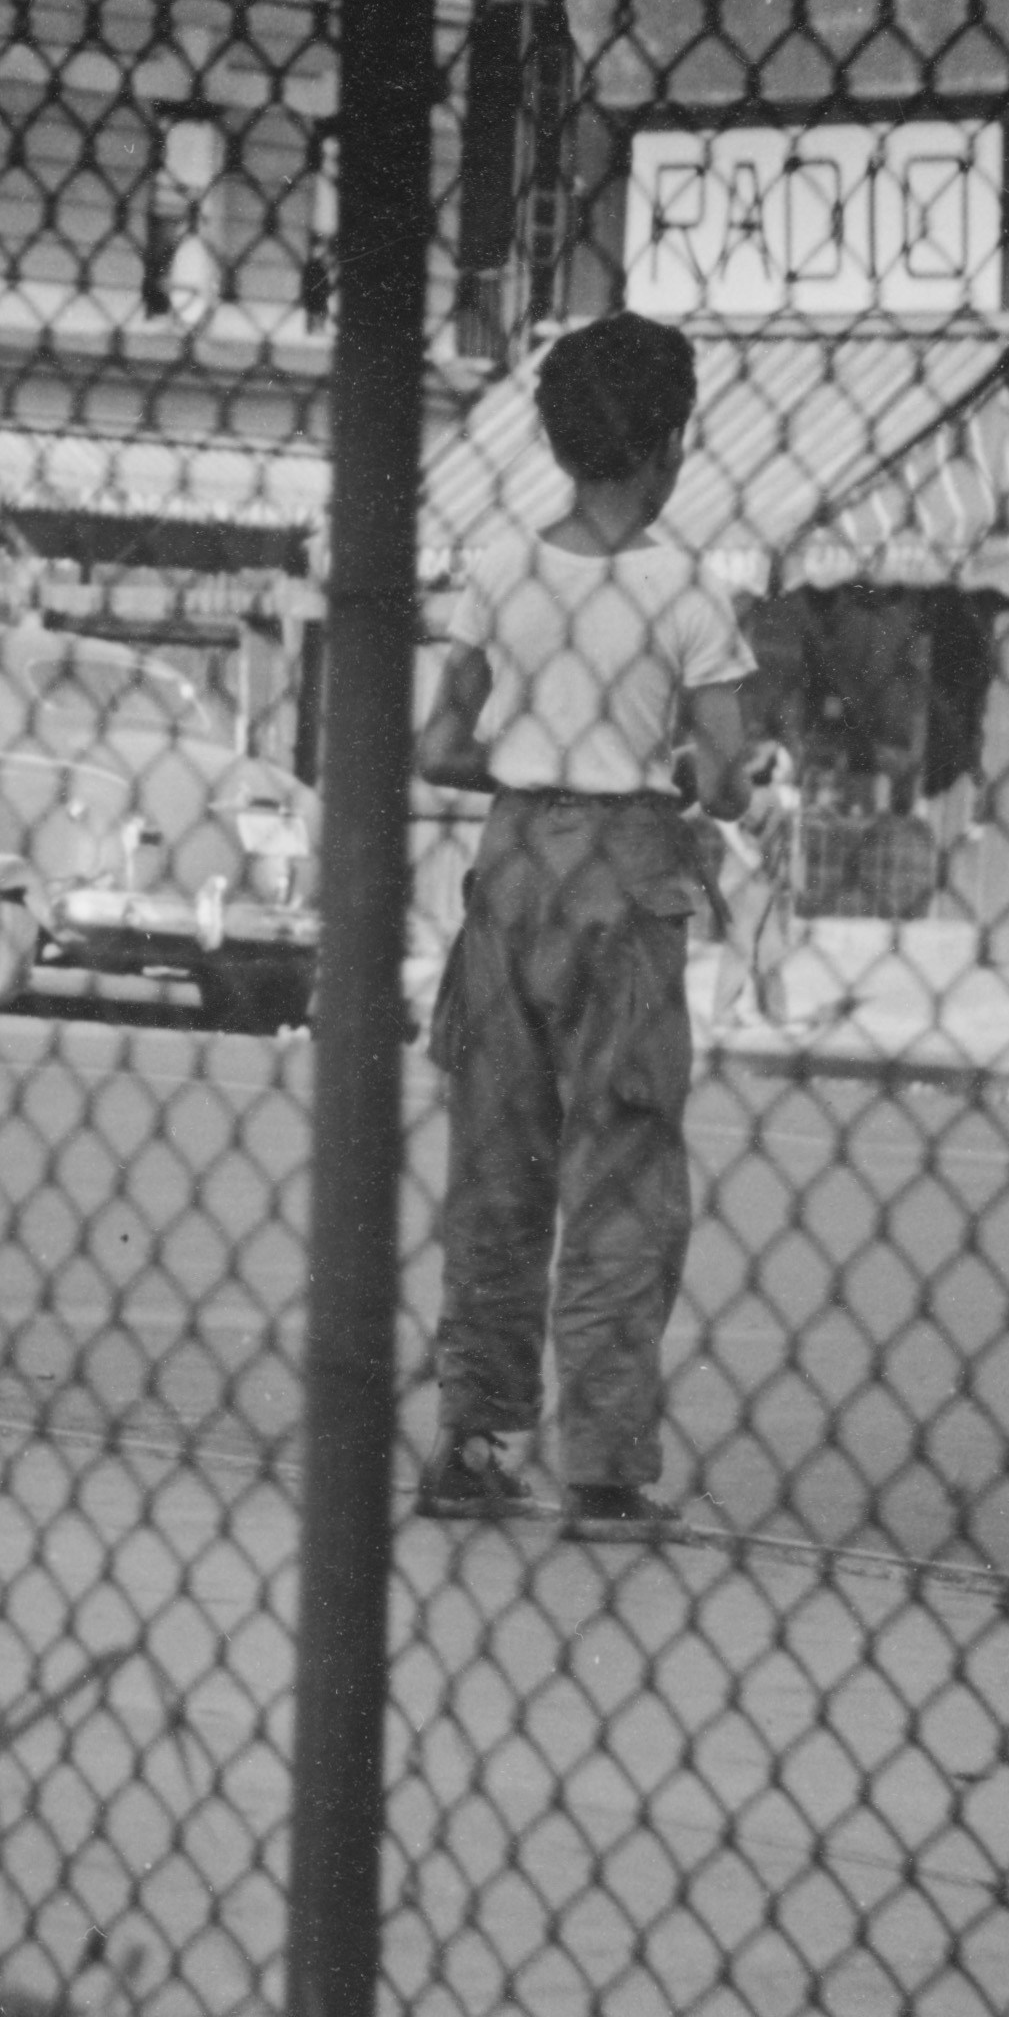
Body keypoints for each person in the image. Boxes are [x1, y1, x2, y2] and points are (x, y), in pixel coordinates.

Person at [413, 308, 752, 1534]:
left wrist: (533, 754)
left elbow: (442, 744)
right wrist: (685, 773)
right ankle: (604, 1463)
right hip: (628, 870)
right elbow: (722, 775)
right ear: (670, 442)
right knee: (622, 1168)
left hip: (508, 872)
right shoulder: (689, 591)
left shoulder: (500, 572)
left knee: (496, 1164)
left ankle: (475, 1436)